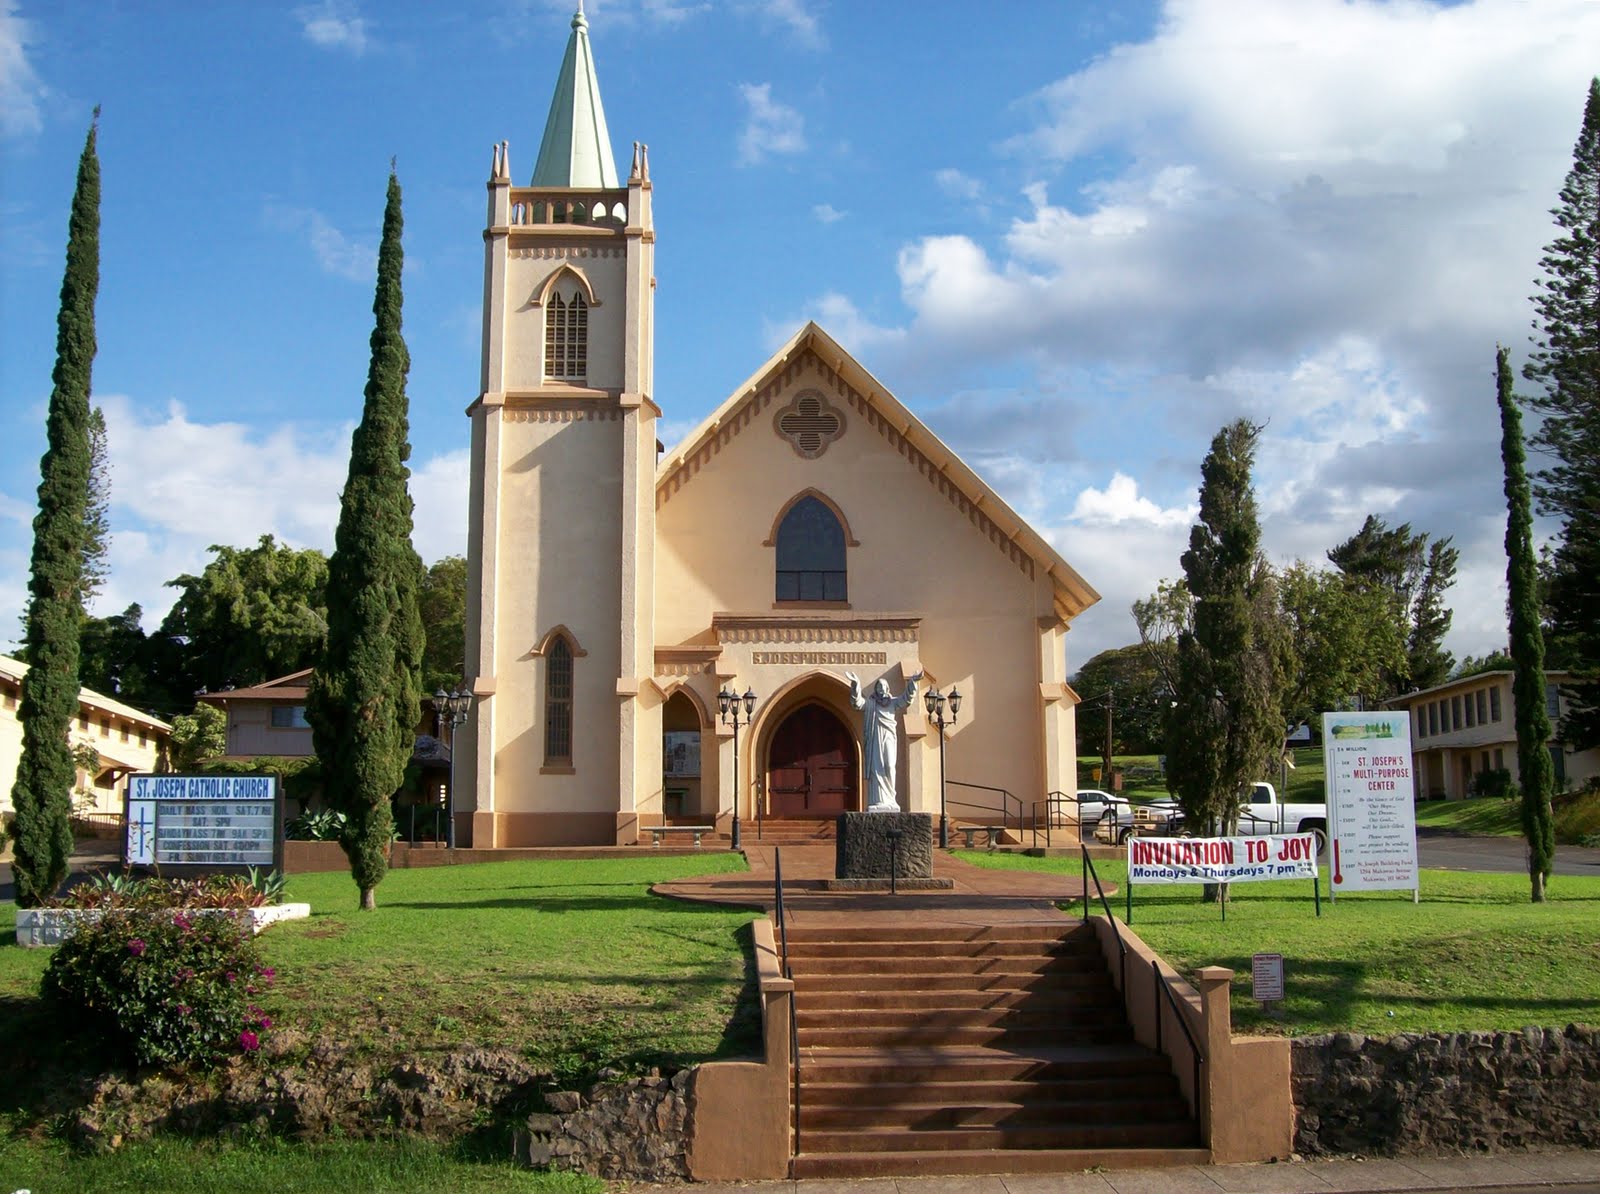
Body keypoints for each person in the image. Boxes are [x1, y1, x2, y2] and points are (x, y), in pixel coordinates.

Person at [845, 671, 923, 812]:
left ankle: (890, 798)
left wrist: (913, 683)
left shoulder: (892, 702)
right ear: (876, 689)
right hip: (875, 739)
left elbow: (906, 699)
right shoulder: (871, 704)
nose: (881, 689)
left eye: (883, 686)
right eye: (878, 686)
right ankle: (878, 800)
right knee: (877, 768)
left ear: (887, 688)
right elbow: (857, 704)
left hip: (888, 737)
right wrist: (856, 685)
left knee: (889, 766)